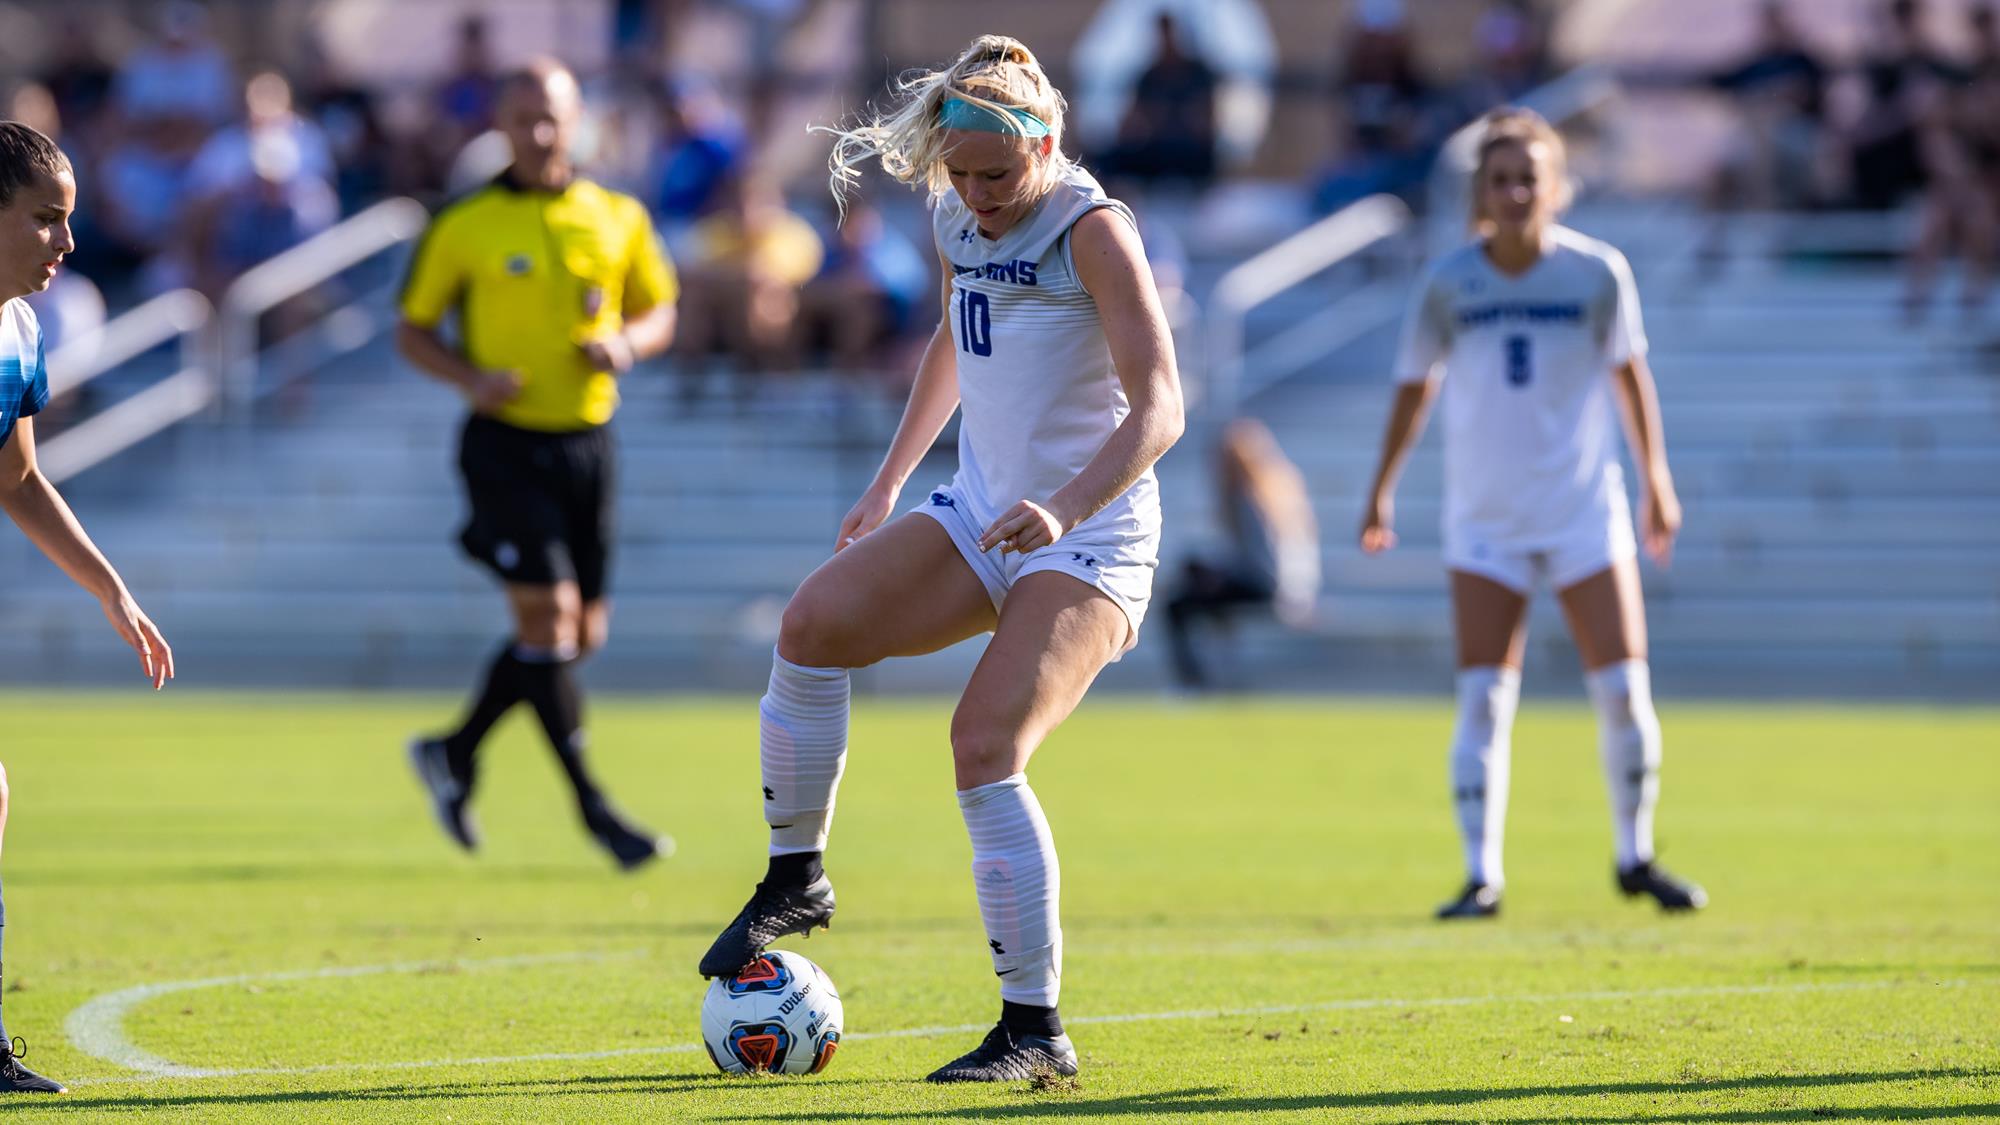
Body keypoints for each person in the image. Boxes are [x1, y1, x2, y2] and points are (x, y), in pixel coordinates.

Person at [696, 35, 1184, 1082]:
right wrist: (888, 481)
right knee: (809, 626)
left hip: (1090, 535)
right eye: (958, 174)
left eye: (995, 175)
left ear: (1043, 146)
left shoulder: (1094, 229)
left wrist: (1063, 507)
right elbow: (957, 339)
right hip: (981, 514)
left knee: (982, 744)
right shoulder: (958, 213)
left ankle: (1034, 1032)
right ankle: (796, 875)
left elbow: (1162, 410)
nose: (975, 194)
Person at [1360, 108, 1705, 921]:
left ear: (1556, 187)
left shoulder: (1597, 272)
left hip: (1583, 511)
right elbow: (1414, 387)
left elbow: (1631, 377)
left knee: (1623, 688)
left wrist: (1656, 479)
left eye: (1529, 179)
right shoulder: (1448, 281)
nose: (1515, 193)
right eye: (1501, 180)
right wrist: (1382, 486)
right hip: (1486, 519)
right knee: (1485, 695)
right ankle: (1481, 875)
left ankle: (1635, 855)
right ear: (1480, 192)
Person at [397, 61, 679, 870]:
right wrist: (470, 376)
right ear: (503, 124)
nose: (541, 133)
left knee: (575, 636)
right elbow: (412, 329)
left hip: (589, 445)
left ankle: (454, 750)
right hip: (505, 443)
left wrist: (626, 343)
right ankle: (596, 810)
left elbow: (660, 307)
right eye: (524, 118)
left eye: (552, 117)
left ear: (577, 120)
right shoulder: (466, 223)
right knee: (550, 622)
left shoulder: (617, 215)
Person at [0, 120, 175, 1094]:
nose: (66, 243)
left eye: (69, 221)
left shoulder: (20, 331)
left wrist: (112, 589)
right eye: (44, 220)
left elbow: (19, 480)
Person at [1162, 417, 1319, 690]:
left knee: (1177, 604)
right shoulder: (1282, 487)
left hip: (1268, 585)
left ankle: (1193, 682)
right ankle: (1220, 673)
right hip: (1293, 585)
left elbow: (1262, 562)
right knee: (1207, 597)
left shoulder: (1249, 497)